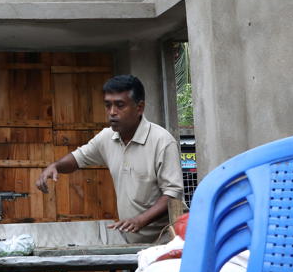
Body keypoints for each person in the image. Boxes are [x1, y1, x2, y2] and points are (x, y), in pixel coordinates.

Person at [35, 74, 184, 244]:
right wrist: (55, 166)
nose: (112, 112)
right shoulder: (107, 137)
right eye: (108, 105)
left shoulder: (162, 141)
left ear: (139, 107)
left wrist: (140, 220)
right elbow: (78, 158)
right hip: (129, 241)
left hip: (164, 242)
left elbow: (173, 195)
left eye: (120, 105)